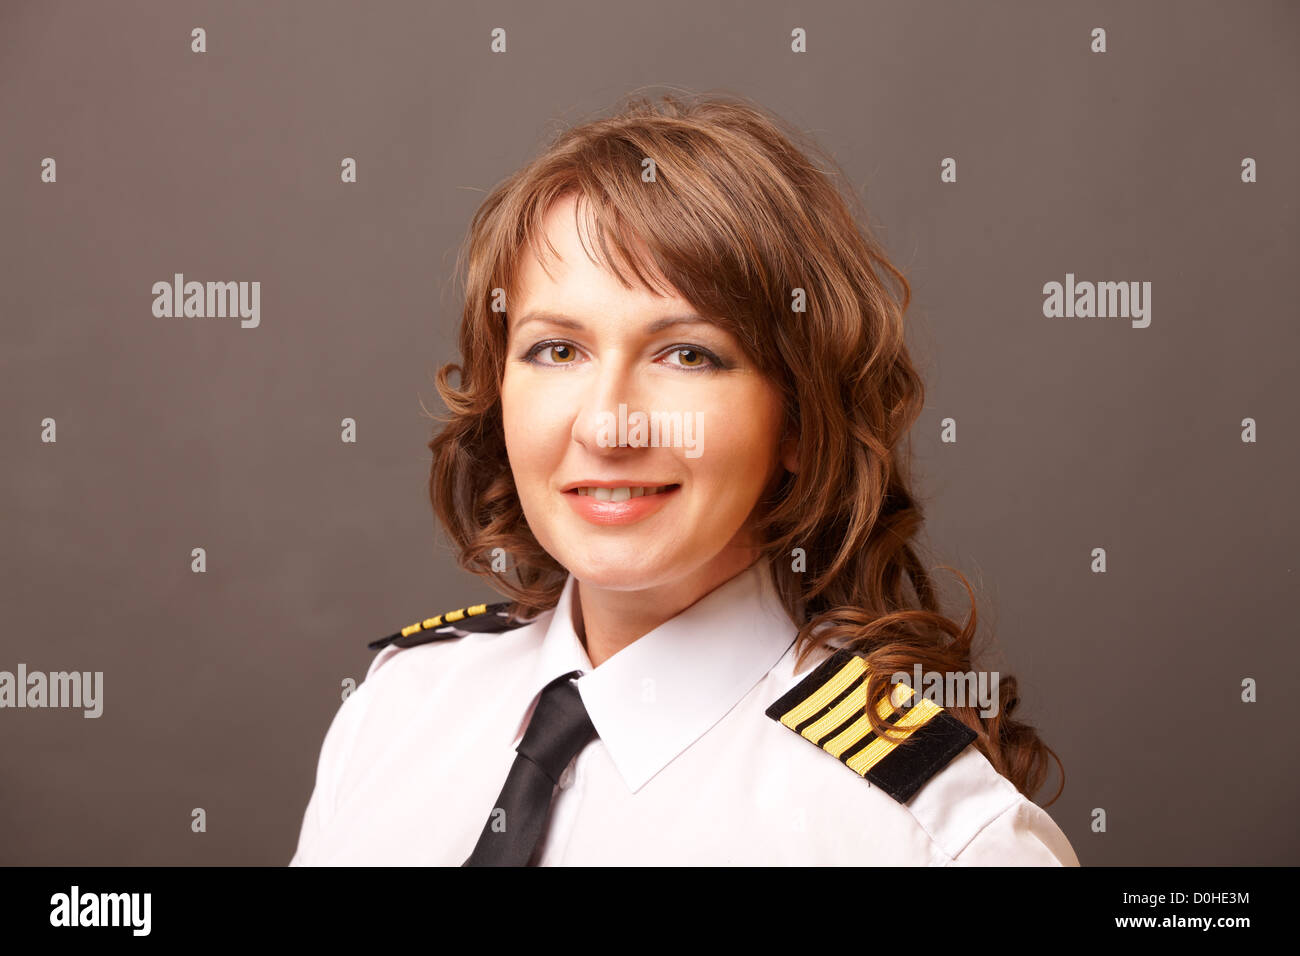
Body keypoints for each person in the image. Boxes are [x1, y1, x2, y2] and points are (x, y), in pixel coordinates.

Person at [289, 91, 1079, 866]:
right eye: (557, 350)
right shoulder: (395, 710)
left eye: (687, 354)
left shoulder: (932, 838)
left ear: (800, 420)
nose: (607, 426)